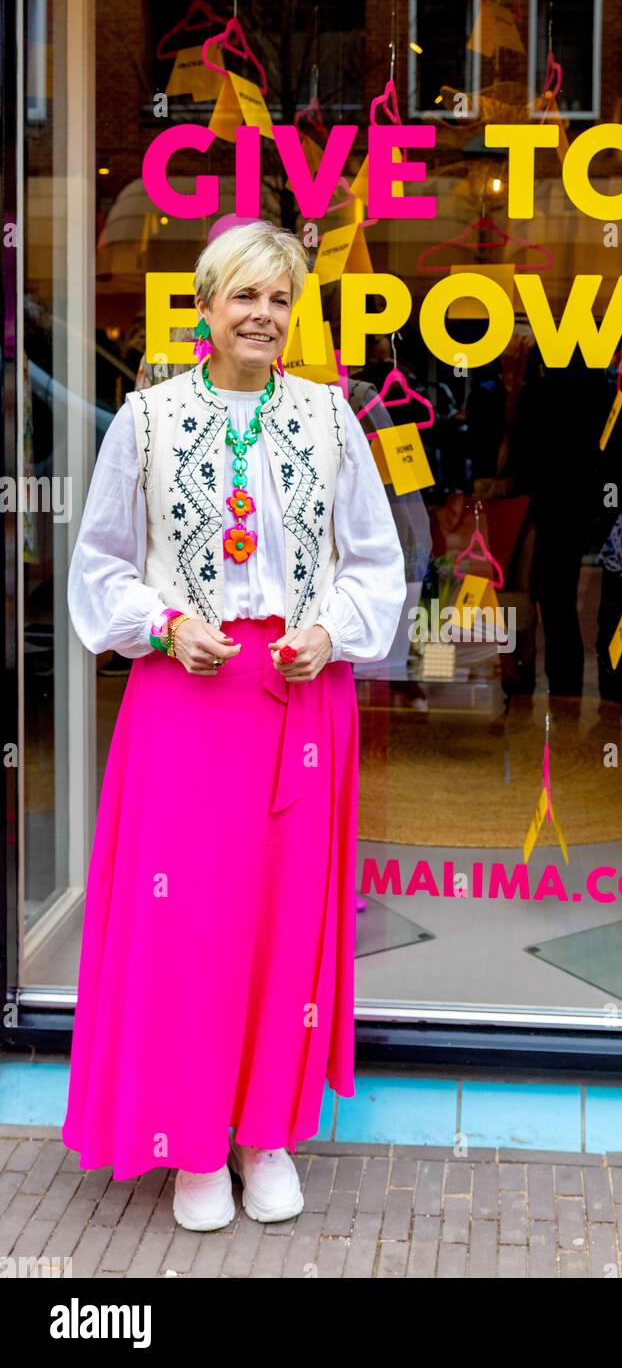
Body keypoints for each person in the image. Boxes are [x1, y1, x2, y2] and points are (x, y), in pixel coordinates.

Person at [62, 220, 406, 1231]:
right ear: (205, 308)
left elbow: (376, 561)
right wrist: (164, 623)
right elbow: (100, 563)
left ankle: (265, 1134)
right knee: (188, 924)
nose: (263, 314)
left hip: (301, 693)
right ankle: (190, 1139)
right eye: (243, 296)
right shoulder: (149, 418)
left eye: (279, 298)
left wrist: (330, 630)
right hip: (186, 696)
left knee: (283, 921)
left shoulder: (333, 418)